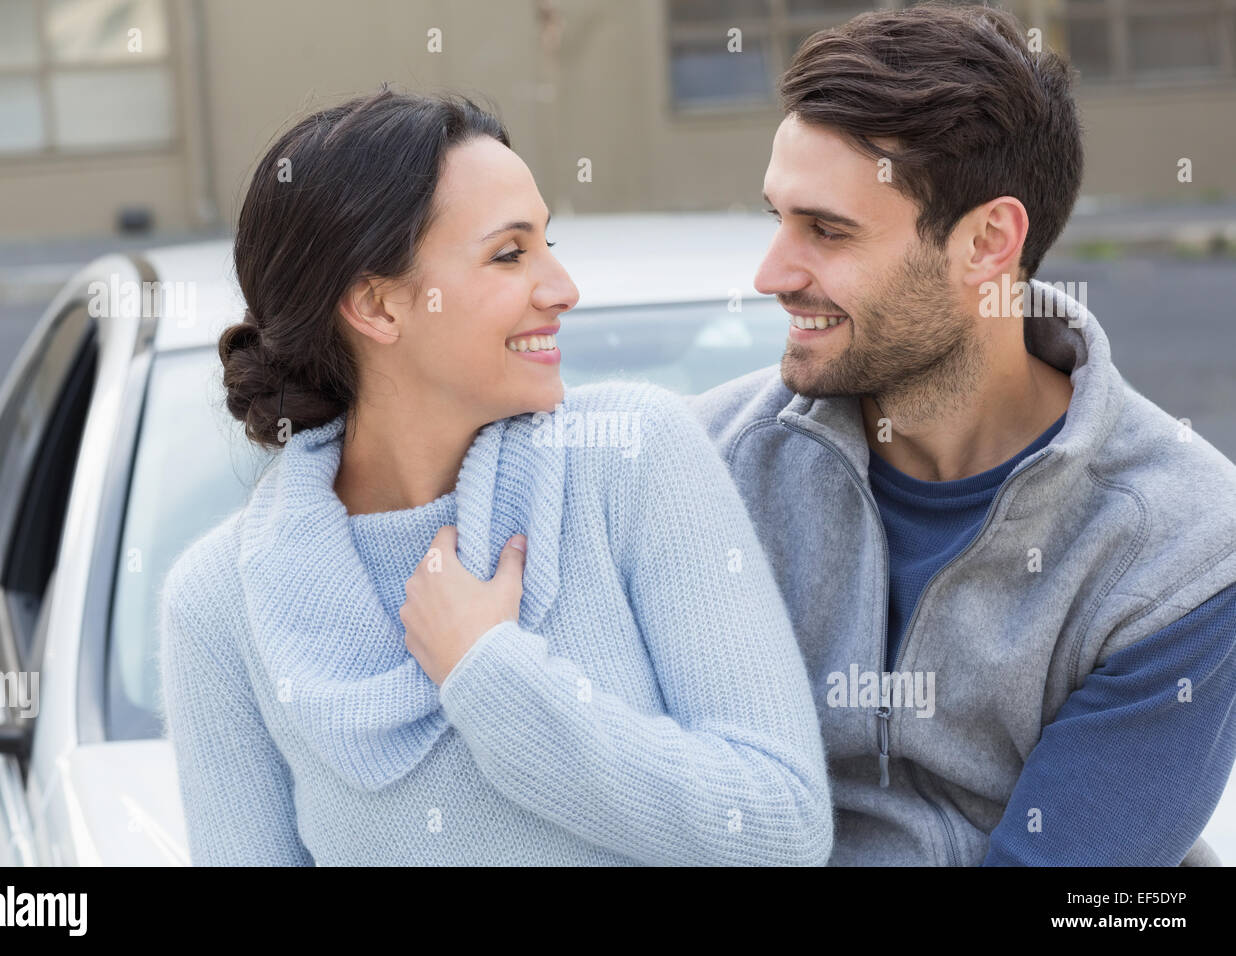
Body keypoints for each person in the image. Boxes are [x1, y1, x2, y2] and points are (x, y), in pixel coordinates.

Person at [156, 86, 833, 865]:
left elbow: (782, 826)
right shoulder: (221, 603)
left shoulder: (632, 459)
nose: (561, 290)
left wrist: (494, 678)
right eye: (510, 254)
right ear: (377, 306)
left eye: (549, 244)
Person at [689, 2, 1236, 866]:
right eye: (778, 218)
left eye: (827, 230)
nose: (772, 275)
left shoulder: (1182, 547)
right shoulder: (701, 470)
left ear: (987, 242)